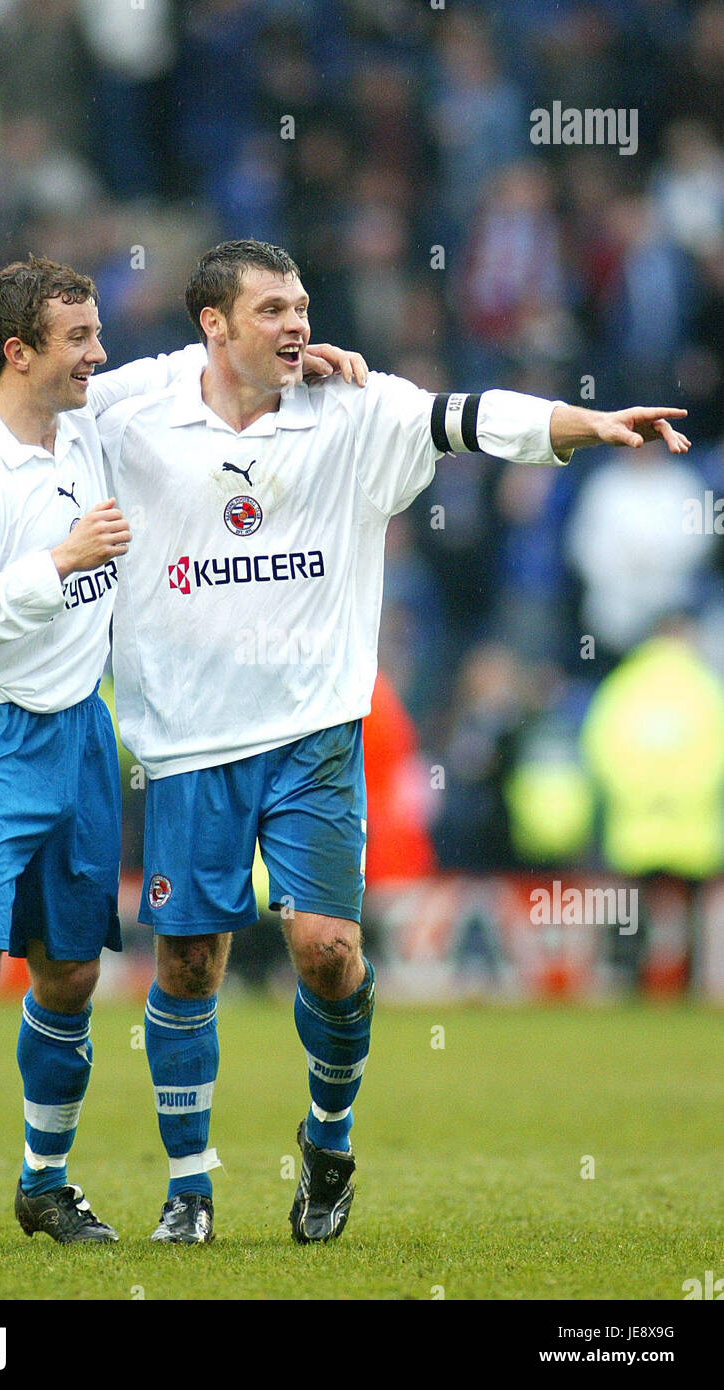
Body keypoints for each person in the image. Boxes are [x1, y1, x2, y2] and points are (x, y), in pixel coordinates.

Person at [92, 239, 690, 1246]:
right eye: (273, 309)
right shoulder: (132, 409)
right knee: (188, 959)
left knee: (325, 950)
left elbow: (465, 416)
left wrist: (579, 424)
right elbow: (36, 409)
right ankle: (188, 1188)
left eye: (302, 305)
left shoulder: (353, 410)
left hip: (314, 728)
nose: (296, 325)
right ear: (214, 324)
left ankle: (327, 1140)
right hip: (186, 732)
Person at [0, 251, 364, 1251]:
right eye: (78, 339)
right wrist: (55, 564)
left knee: (68, 976)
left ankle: (43, 1183)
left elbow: (185, 370)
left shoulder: (89, 433)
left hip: (81, 733)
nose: (99, 355)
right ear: (20, 352)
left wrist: (297, 354)